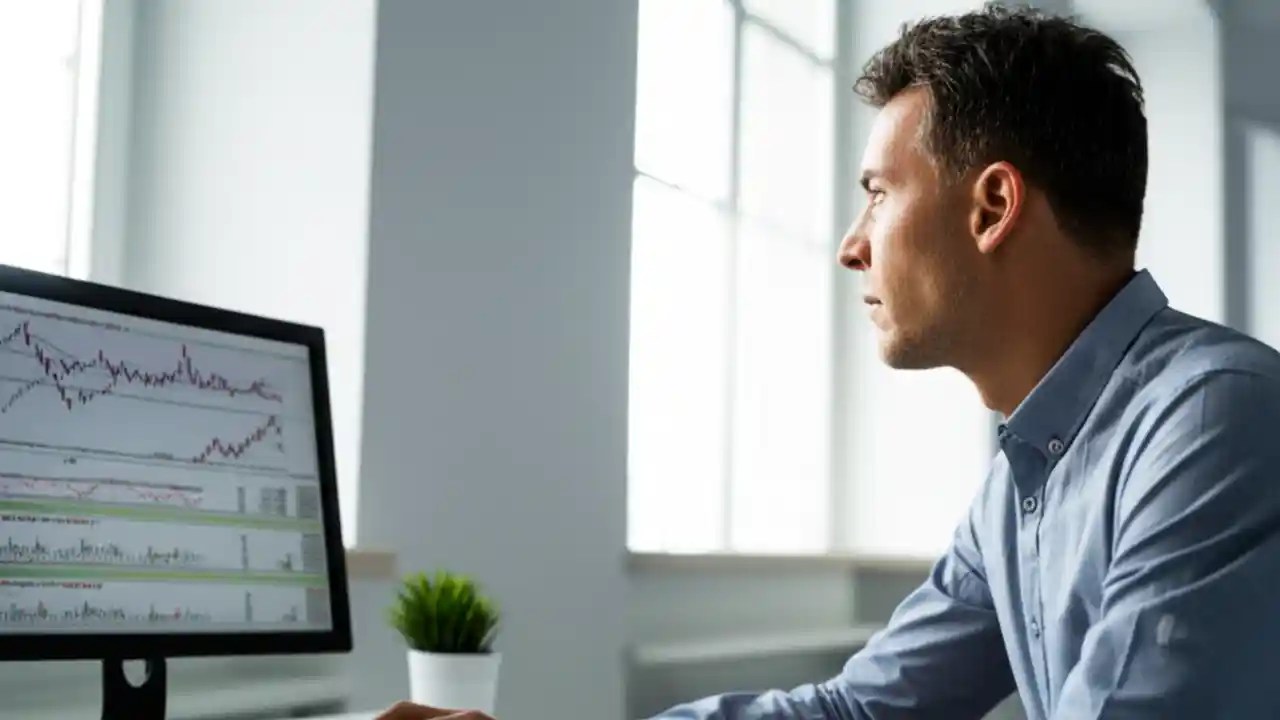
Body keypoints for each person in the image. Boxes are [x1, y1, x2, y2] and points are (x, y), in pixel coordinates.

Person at [374, 3, 1280, 719]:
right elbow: (859, 710)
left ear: (992, 205)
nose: (853, 246)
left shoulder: (1210, 420)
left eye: (878, 195)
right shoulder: (1026, 479)